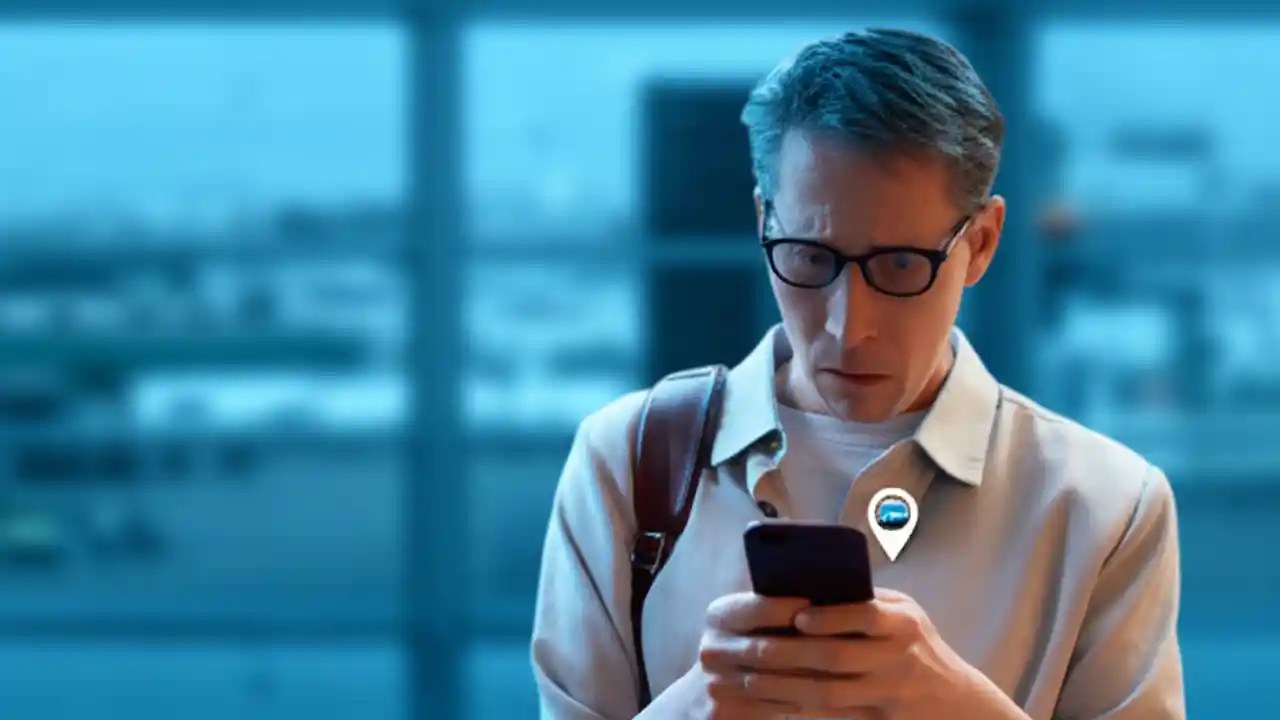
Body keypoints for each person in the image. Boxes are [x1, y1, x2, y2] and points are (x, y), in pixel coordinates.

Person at [530, 27, 1185, 720]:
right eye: (810, 258)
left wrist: (958, 708)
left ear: (983, 243)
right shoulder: (626, 467)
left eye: (901, 265)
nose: (849, 326)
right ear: (763, 222)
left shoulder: (1106, 509)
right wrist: (699, 706)